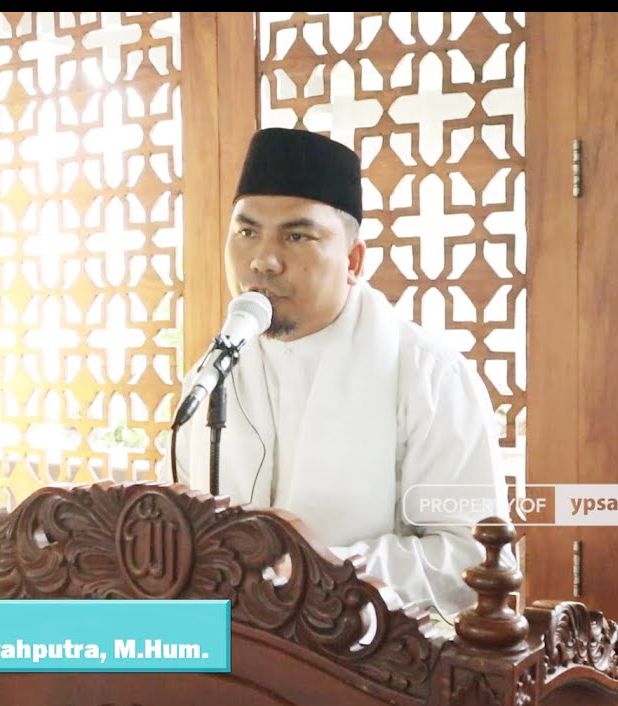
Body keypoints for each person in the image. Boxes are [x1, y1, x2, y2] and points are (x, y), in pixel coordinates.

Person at [170, 127, 511, 623]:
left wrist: (320, 571)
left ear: (353, 260)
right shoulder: (214, 371)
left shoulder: (427, 375)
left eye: (297, 235)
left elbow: (473, 558)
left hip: (374, 675)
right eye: (246, 232)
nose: (262, 260)